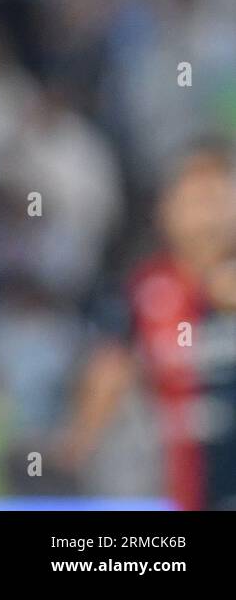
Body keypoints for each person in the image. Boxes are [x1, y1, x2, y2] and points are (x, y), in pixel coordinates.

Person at [57, 143, 236, 509]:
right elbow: (109, 371)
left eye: (217, 198)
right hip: (174, 486)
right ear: (165, 208)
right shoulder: (141, 289)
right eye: (194, 199)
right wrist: (74, 447)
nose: (207, 214)